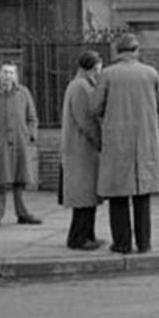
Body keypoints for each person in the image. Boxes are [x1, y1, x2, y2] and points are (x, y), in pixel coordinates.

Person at [91, 33, 159, 254]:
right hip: (145, 141)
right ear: (136, 50)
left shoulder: (107, 74)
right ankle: (144, 243)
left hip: (117, 142)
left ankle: (122, 244)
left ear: (118, 51)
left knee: (118, 195)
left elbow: (94, 108)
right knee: (143, 197)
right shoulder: (151, 73)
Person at [0, 61, 41, 228]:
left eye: (11, 73)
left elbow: (32, 117)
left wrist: (30, 135)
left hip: (20, 143)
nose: (8, 76)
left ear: (15, 75)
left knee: (20, 181)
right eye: (5, 72)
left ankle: (22, 214)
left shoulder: (23, 92)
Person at [60, 51, 104, 250]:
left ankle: (88, 235)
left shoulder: (82, 84)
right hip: (81, 151)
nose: (100, 71)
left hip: (83, 151)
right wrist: (100, 142)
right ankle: (78, 238)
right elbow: (86, 121)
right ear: (92, 68)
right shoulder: (81, 87)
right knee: (83, 198)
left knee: (88, 197)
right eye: (99, 67)